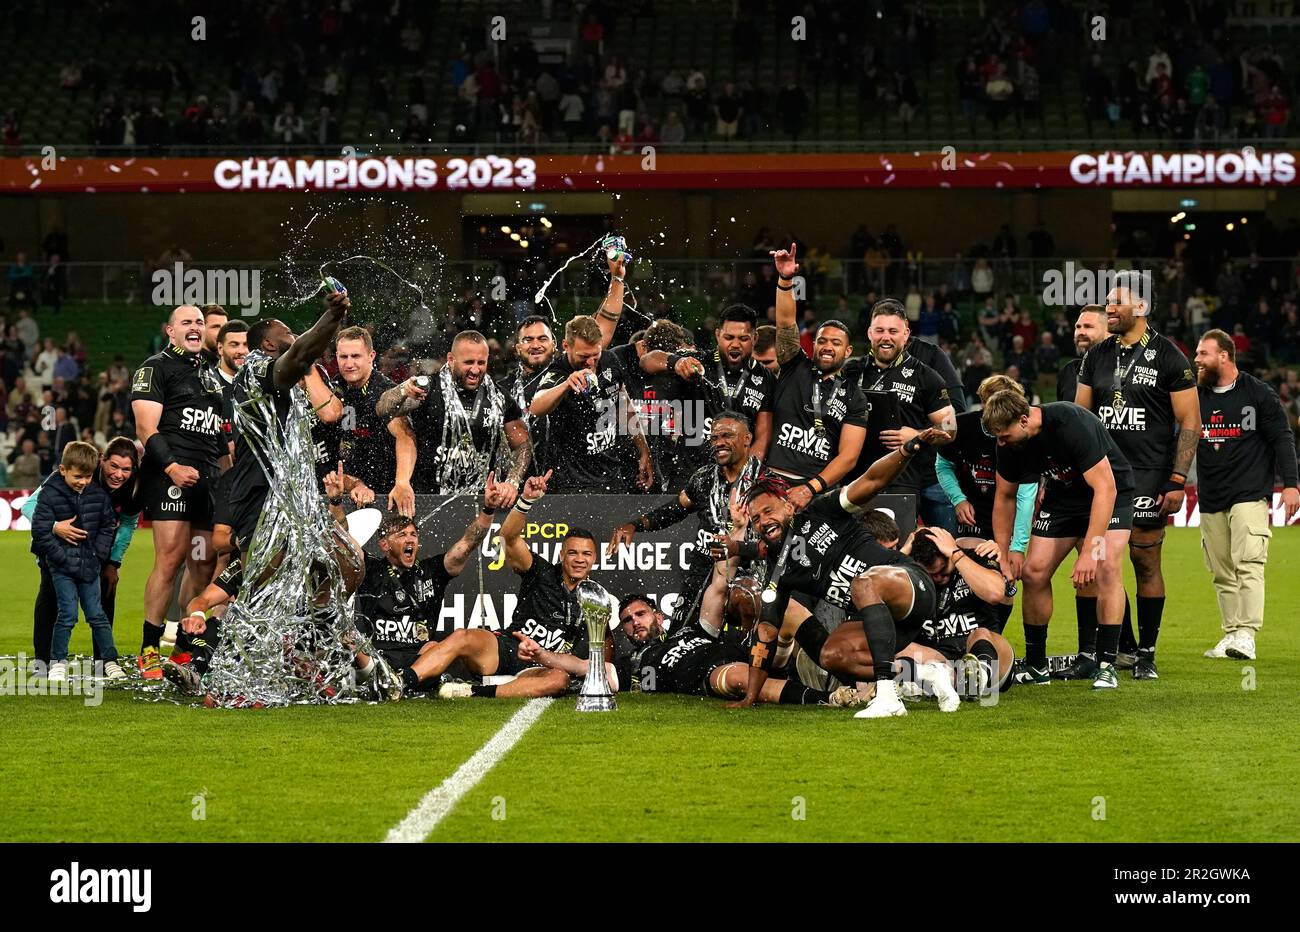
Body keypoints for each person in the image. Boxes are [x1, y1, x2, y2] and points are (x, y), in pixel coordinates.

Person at [708, 428, 951, 717]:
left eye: (769, 511)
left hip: (909, 585)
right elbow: (765, 637)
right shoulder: (778, 574)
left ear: (788, 506)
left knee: (862, 583)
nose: (763, 521)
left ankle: (888, 697)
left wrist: (909, 448)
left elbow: (872, 481)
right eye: (756, 519)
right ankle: (927, 675)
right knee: (832, 654)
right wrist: (750, 696)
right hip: (885, 624)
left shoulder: (821, 509)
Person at [1074, 274, 1201, 680]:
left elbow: (1190, 422)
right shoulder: (1096, 356)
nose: (1108, 308)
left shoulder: (1170, 357)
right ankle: (1105, 651)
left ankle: (1146, 652)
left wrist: (1178, 479)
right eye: (1106, 302)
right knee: (1100, 562)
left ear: (1142, 308)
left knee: (1145, 561)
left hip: (1148, 475)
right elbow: (1080, 418)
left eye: (1116, 302)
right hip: (1101, 475)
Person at [984, 391, 1134, 690]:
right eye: (997, 437)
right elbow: (1004, 497)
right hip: (1063, 497)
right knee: (1034, 572)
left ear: (1024, 419)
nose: (1000, 442)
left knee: (1105, 568)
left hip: (1108, 494)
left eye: (1004, 435)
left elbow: (1105, 489)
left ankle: (1106, 666)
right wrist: (1005, 551)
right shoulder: (1009, 444)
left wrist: (1090, 551)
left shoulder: (1070, 421)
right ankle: (1037, 666)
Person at [391, 470, 583, 698]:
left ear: (594, 558)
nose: (579, 559)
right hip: (508, 648)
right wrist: (526, 500)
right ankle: (400, 683)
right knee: (462, 636)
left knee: (559, 679)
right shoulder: (542, 571)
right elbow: (508, 537)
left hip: (543, 664)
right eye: (572, 552)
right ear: (562, 554)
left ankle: (473, 691)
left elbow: (603, 646)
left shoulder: (593, 597)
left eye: (586, 554)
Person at [130, 305, 227, 679]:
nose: (195, 327)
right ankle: (149, 648)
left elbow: (220, 436)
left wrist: (226, 478)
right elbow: (145, 427)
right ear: (170, 331)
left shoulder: (211, 373)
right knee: (169, 561)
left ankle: (186, 648)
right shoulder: (154, 367)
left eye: (199, 323)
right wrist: (172, 468)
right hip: (170, 479)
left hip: (207, 482)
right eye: (186, 322)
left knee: (202, 564)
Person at [1193, 330, 1300, 661]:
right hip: (1210, 494)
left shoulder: (1258, 393)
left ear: (1224, 355)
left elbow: (1282, 438)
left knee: (1249, 562)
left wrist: (1293, 484)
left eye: (1203, 353)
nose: (1196, 359)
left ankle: (1248, 635)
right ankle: (1231, 633)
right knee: (1222, 570)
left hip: (1249, 492)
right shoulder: (1195, 396)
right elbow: (1179, 437)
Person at [607, 411, 768, 621]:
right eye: (714, 438)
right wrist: (636, 525)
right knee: (680, 635)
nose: (719, 443)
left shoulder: (767, 484)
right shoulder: (704, 478)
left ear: (747, 439)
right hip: (700, 576)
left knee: (743, 600)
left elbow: (778, 542)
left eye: (727, 436)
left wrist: (739, 547)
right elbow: (675, 509)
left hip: (746, 577)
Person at [227, 304, 346, 559]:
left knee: (325, 572)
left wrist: (335, 318)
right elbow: (302, 351)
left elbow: (307, 353)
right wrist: (332, 315)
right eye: (289, 333)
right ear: (269, 345)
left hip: (287, 493)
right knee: (261, 587)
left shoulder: (285, 383)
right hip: (260, 493)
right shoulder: (255, 372)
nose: (294, 337)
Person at [25, 438, 142, 669]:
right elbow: (29, 506)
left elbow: (127, 524)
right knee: (50, 597)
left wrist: (112, 563)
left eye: (126, 469)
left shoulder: (135, 488)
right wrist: (55, 526)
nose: (119, 474)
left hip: (95, 551)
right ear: (102, 461)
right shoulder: (79, 467)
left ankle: (104, 663)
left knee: (105, 596)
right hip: (55, 549)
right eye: (114, 466)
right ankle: (43, 660)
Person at [766, 244, 869, 507]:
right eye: (822, 340)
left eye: (836, 343)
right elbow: (786, 321)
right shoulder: (793, 363)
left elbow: (848, 458)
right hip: (770, 483)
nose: (827, 347)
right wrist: (786, 279)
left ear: (848, 351)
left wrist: (810, 489)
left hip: (816, 492)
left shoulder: (854, 397)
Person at [383, 330, 529, 504]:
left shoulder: (500, 398)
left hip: (483, 502)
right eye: (468, 362)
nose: (475, 369)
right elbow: (384, 408)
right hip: (428, 499)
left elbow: (523, 446)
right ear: (451, 359)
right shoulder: (427, 389)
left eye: (481, 362)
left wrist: (512, 482)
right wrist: (402, 391)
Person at [848, 298, 958, 525]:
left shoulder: (926, 376)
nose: (885, 337)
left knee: (895, 552)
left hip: (902, 482)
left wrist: (918, 435)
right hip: (854, 479)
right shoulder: (852, 371)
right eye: (879, 330)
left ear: (906, 334)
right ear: (870, 333)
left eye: (892, 331)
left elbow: (951, 428)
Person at [528, 316, 653, 493]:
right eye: (584, 356)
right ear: (566, 346)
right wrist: (565, 385)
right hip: (572, 483)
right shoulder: (558, 371)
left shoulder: (610, 360)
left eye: (596, 355)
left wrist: (643, 450)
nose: (590, 363)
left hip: (611, 475)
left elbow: (624, 406)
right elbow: (536, 407)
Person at [895, 526, 1016, 708]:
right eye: (931, 575)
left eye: (943, 571)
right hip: (939, 661)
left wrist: (956, 554)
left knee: (981, 633)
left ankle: (976, 679)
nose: (939, 578)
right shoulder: (909, 570)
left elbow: (995, 593)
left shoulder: (978, 556)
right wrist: (902, 556)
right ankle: (948, 681)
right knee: (898, 646)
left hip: (986, 654)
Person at [640, 305, 775, 463]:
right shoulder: (697, 361)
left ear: (755, 338)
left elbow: (763, 438)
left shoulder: (765, 378)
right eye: (729, 337)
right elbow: (647, 360)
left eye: (743, 338)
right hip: (689, 471)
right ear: (718, 335)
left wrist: (743, 475)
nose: (735, 344)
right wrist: (676, 363)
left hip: (735, 474)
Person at [935, 374, 1037, 575]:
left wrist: (1017, 546)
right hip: (973, 514)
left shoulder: (1023, 437)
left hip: (1010, 513)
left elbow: (1026, 495)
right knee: (967, 570)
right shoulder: (960, 426)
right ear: (982, 403)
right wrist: (958, 500)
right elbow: (943, 465)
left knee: (1004, 574)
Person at [327, 326, 416, 514]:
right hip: (349, 490)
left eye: (356, 356)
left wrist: (401, 483)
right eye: (344, 357)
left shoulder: (384, 391)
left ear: (371, 356)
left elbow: (405, 436)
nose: (349, 363)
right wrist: (355, 485)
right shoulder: (335, 388)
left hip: (387, 495)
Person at [1055, 306, 1107, 403]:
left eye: (1088, 326)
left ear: (1108, 331)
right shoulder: (1069, 371)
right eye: (1078, 327)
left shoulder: (1121, 369)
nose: (1080, 332)